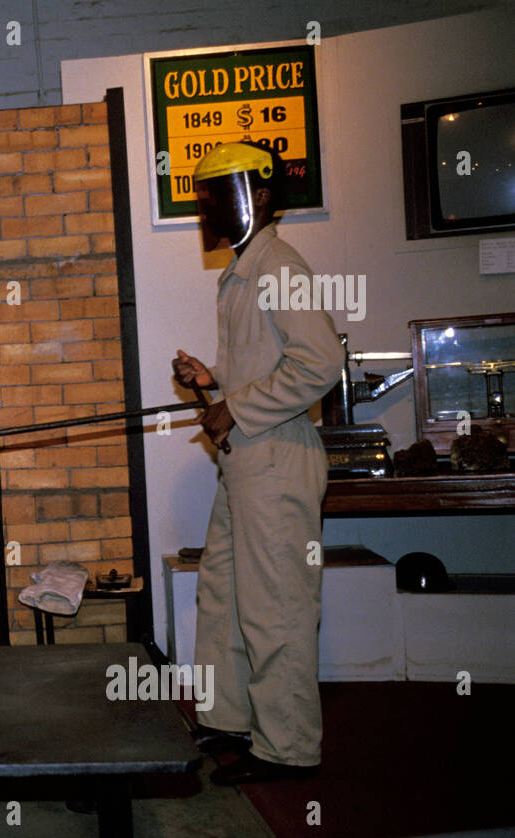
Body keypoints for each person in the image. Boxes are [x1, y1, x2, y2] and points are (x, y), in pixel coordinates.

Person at [171, 142, 345, 786]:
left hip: (276, 460)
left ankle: (289, 749)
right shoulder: (245, 270)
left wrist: (235, 407)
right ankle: (232, 717)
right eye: (202, 194)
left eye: (214, 193)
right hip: (247, 463)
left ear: (260, 195)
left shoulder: (278, 268)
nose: (205, 207)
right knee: (224, 594)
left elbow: (321, 365)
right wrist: (213, 381)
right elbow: (269, 365)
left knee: (275, 607)